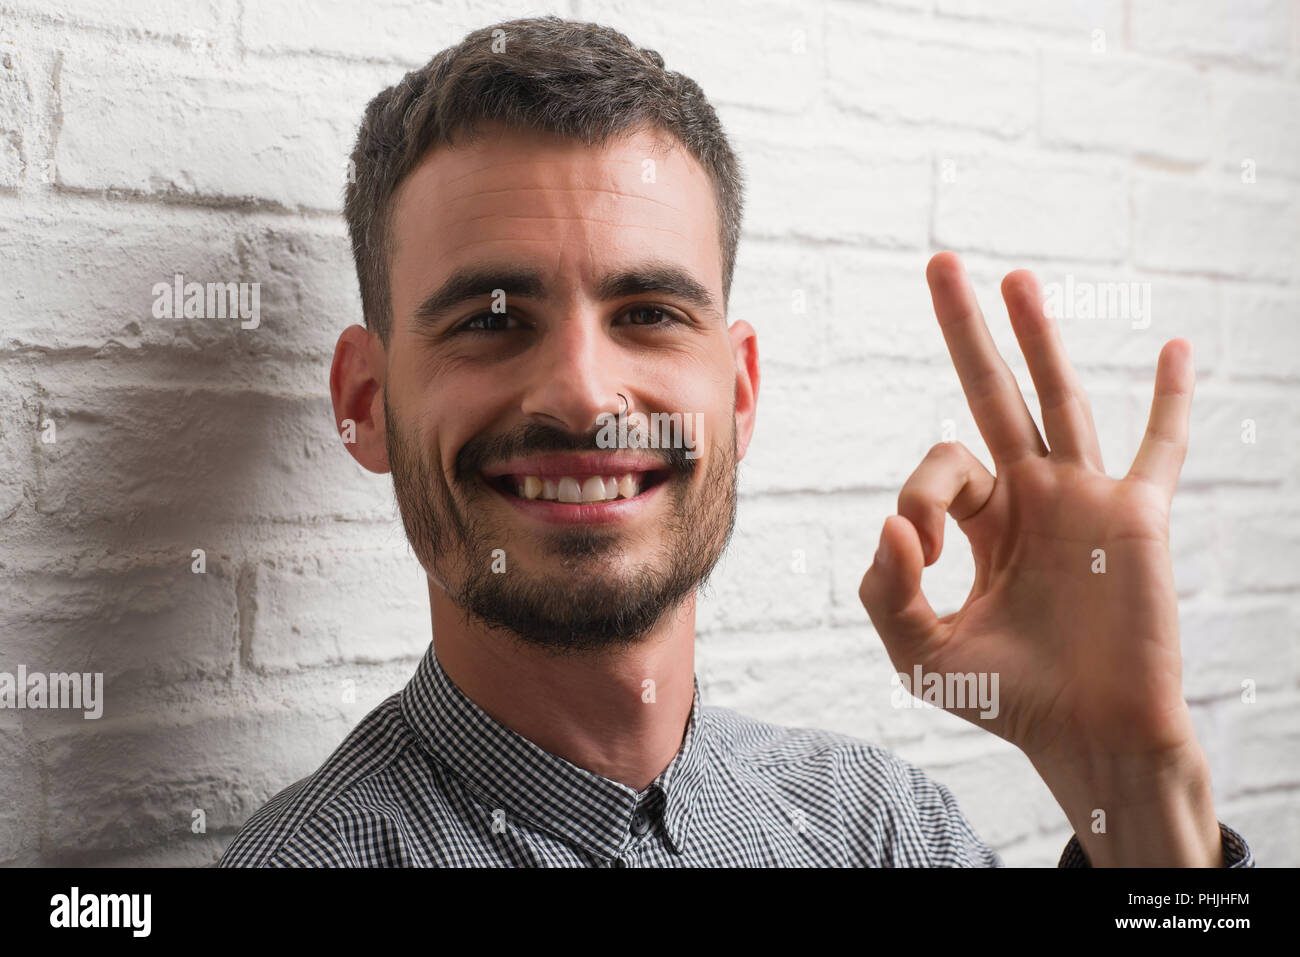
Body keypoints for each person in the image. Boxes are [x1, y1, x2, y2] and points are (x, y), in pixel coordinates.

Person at [218, 15, 1252, 868]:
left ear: (741, 393)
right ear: (364, 402)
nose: (583, 395)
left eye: (649, 313)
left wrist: (1135, 787)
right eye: (491, 320)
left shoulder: (877, 827)